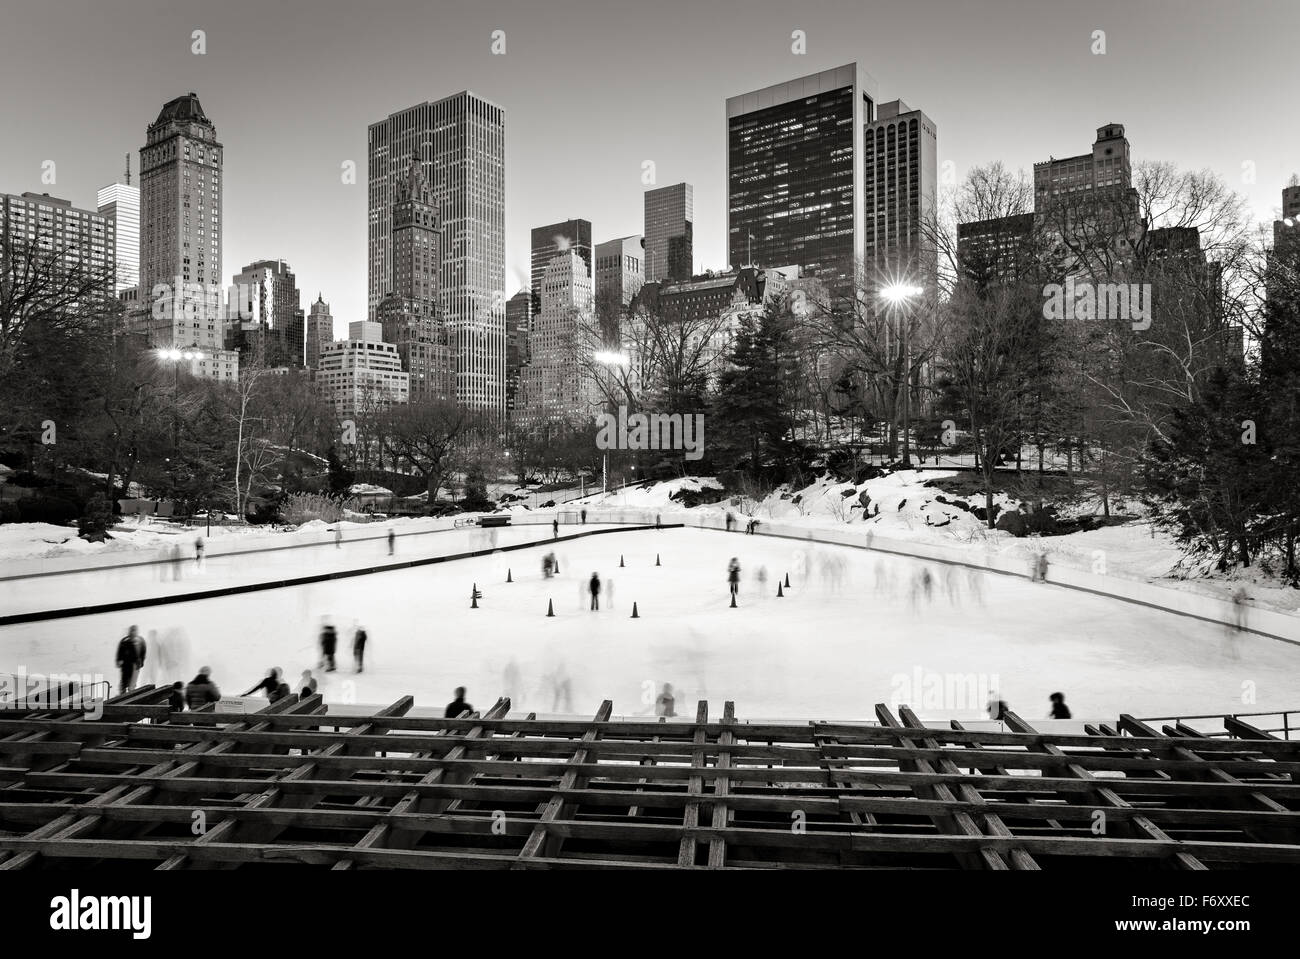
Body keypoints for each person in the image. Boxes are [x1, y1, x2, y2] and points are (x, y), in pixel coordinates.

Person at [115, 625, 144, 695]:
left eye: (135, 630)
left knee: (132, 684)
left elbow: (143, 651)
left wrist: (141, 662)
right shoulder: (124, 641)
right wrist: (119, 660)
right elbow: (120, 651)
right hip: (125, 665)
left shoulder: (140, 640)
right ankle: (122, 696)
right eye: (132, 630)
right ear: (130, 631)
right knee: (124, 682)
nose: (133, 632)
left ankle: (131, 695)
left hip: (135, 665)